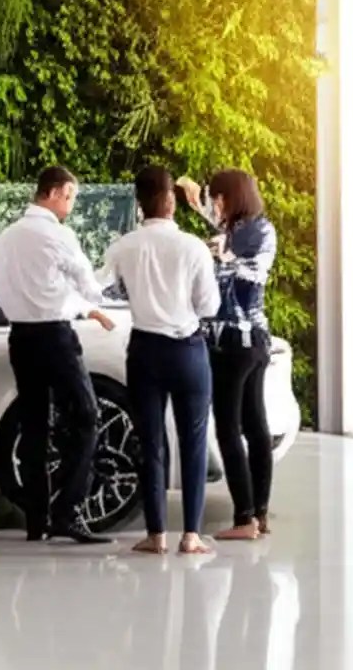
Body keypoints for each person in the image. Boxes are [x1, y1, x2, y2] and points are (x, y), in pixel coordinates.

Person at [0, 166, 116, 544]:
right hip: (56, 340)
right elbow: (90, 287)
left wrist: (78, 306)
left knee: (35, 427)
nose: (72, 205)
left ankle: (36, 520)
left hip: (21, 339)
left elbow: (3, 291)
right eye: (72, 197)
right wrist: (95, 298)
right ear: (58, 192)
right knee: (88, 417)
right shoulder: (58, 236)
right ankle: (68, 510)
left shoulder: (5, 239)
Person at [97, 166, 221, 554]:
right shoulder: (194, 248)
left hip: (145, 351)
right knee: (193, 440)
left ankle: (156, 535)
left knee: (150, 443)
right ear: (170, 201)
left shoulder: (123, 246)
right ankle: (192, 535)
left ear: (139, 202)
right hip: (187, 351)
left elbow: (99, 287)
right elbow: (210, 305)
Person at [202, 169, 278, 541]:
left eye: (217, 197)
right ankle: (258, 514)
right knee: (254, 426)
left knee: (230, 428)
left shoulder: (248, 234)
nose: (214, 204)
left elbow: (241, 269)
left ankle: (245, 518)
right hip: (255, 340)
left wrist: (221, 254)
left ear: (229, 198)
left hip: (234, 342)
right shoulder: (249, 230)